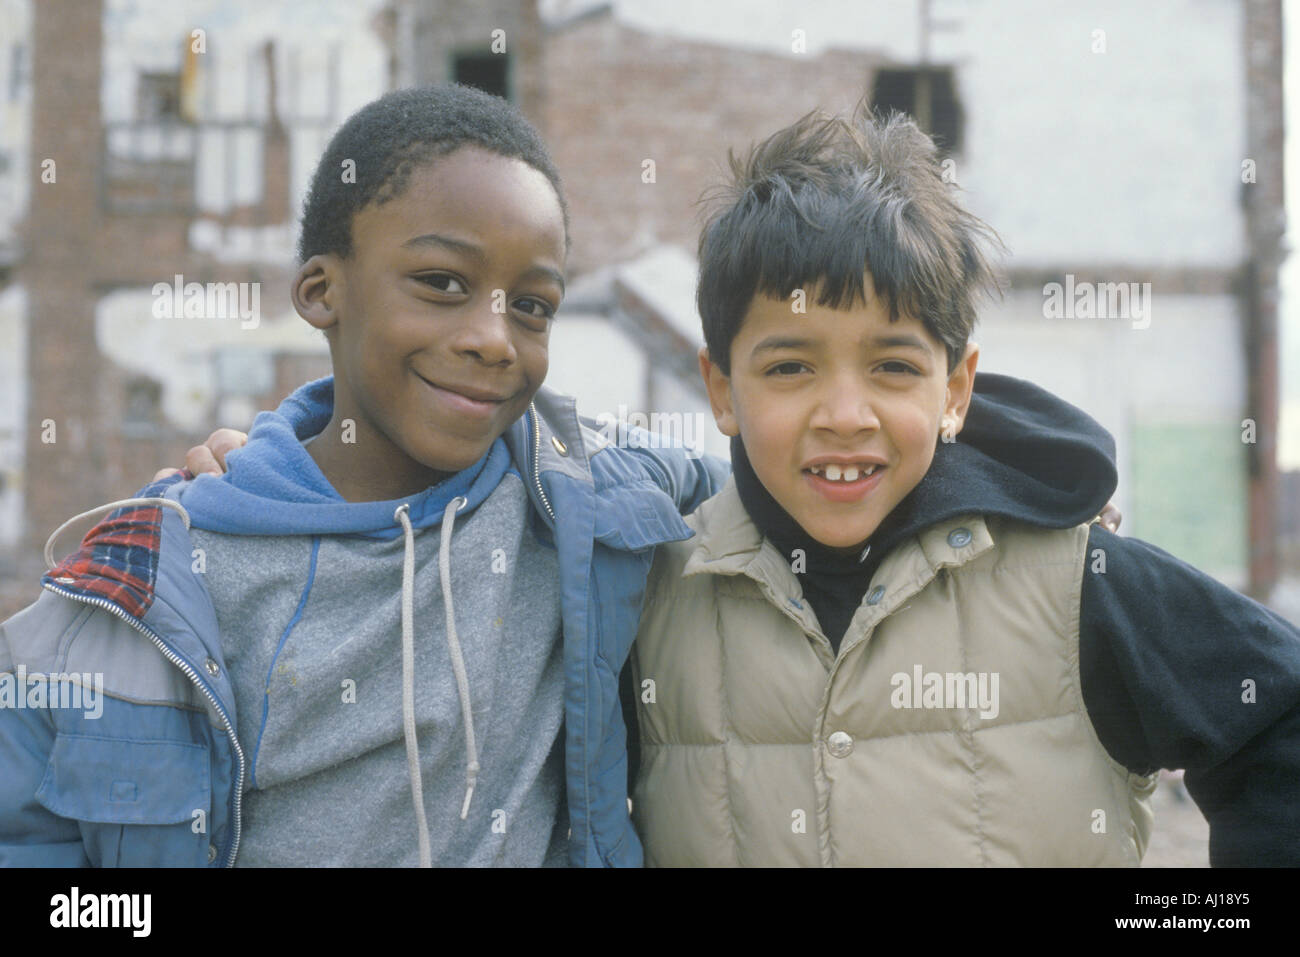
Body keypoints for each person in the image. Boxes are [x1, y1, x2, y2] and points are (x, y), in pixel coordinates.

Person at [0, 84, 729, 867]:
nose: (494, 338)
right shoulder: (156, 581)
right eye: (442, 283)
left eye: (531, 305)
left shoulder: (576, 498)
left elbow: (778, 485)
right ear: (321, 291)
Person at [626, 106, 1300, 866]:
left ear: (954, 390)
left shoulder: (1078, 585)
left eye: (893, 366)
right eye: (790, 367)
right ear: (720, 389)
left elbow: (1280, 716)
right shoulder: (648, 601)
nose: (846, 417)